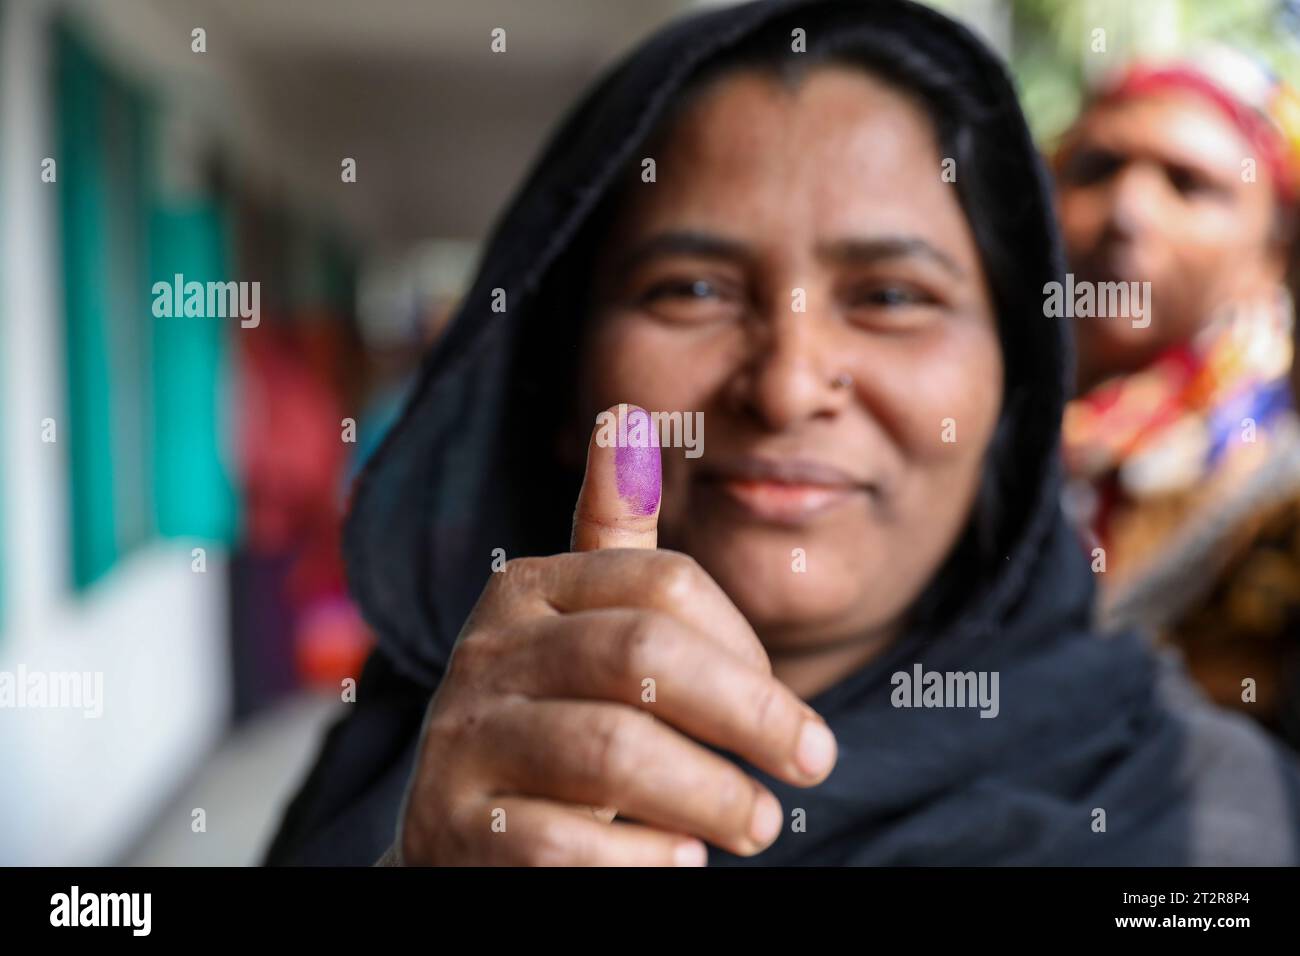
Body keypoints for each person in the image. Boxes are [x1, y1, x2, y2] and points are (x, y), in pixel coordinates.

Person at [264, 0, 1300, 866]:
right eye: (692, 288)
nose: (789, 384)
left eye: (891, 294)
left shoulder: (1195, 810)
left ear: (1012, 395)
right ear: (559, 377)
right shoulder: (421, 747)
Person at [1054, 50, 1300, 745]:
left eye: (1189, 184)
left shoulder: (1275, 488)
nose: (1127, 212)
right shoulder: (962, 431)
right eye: (1096, 170)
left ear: (1273, 249)